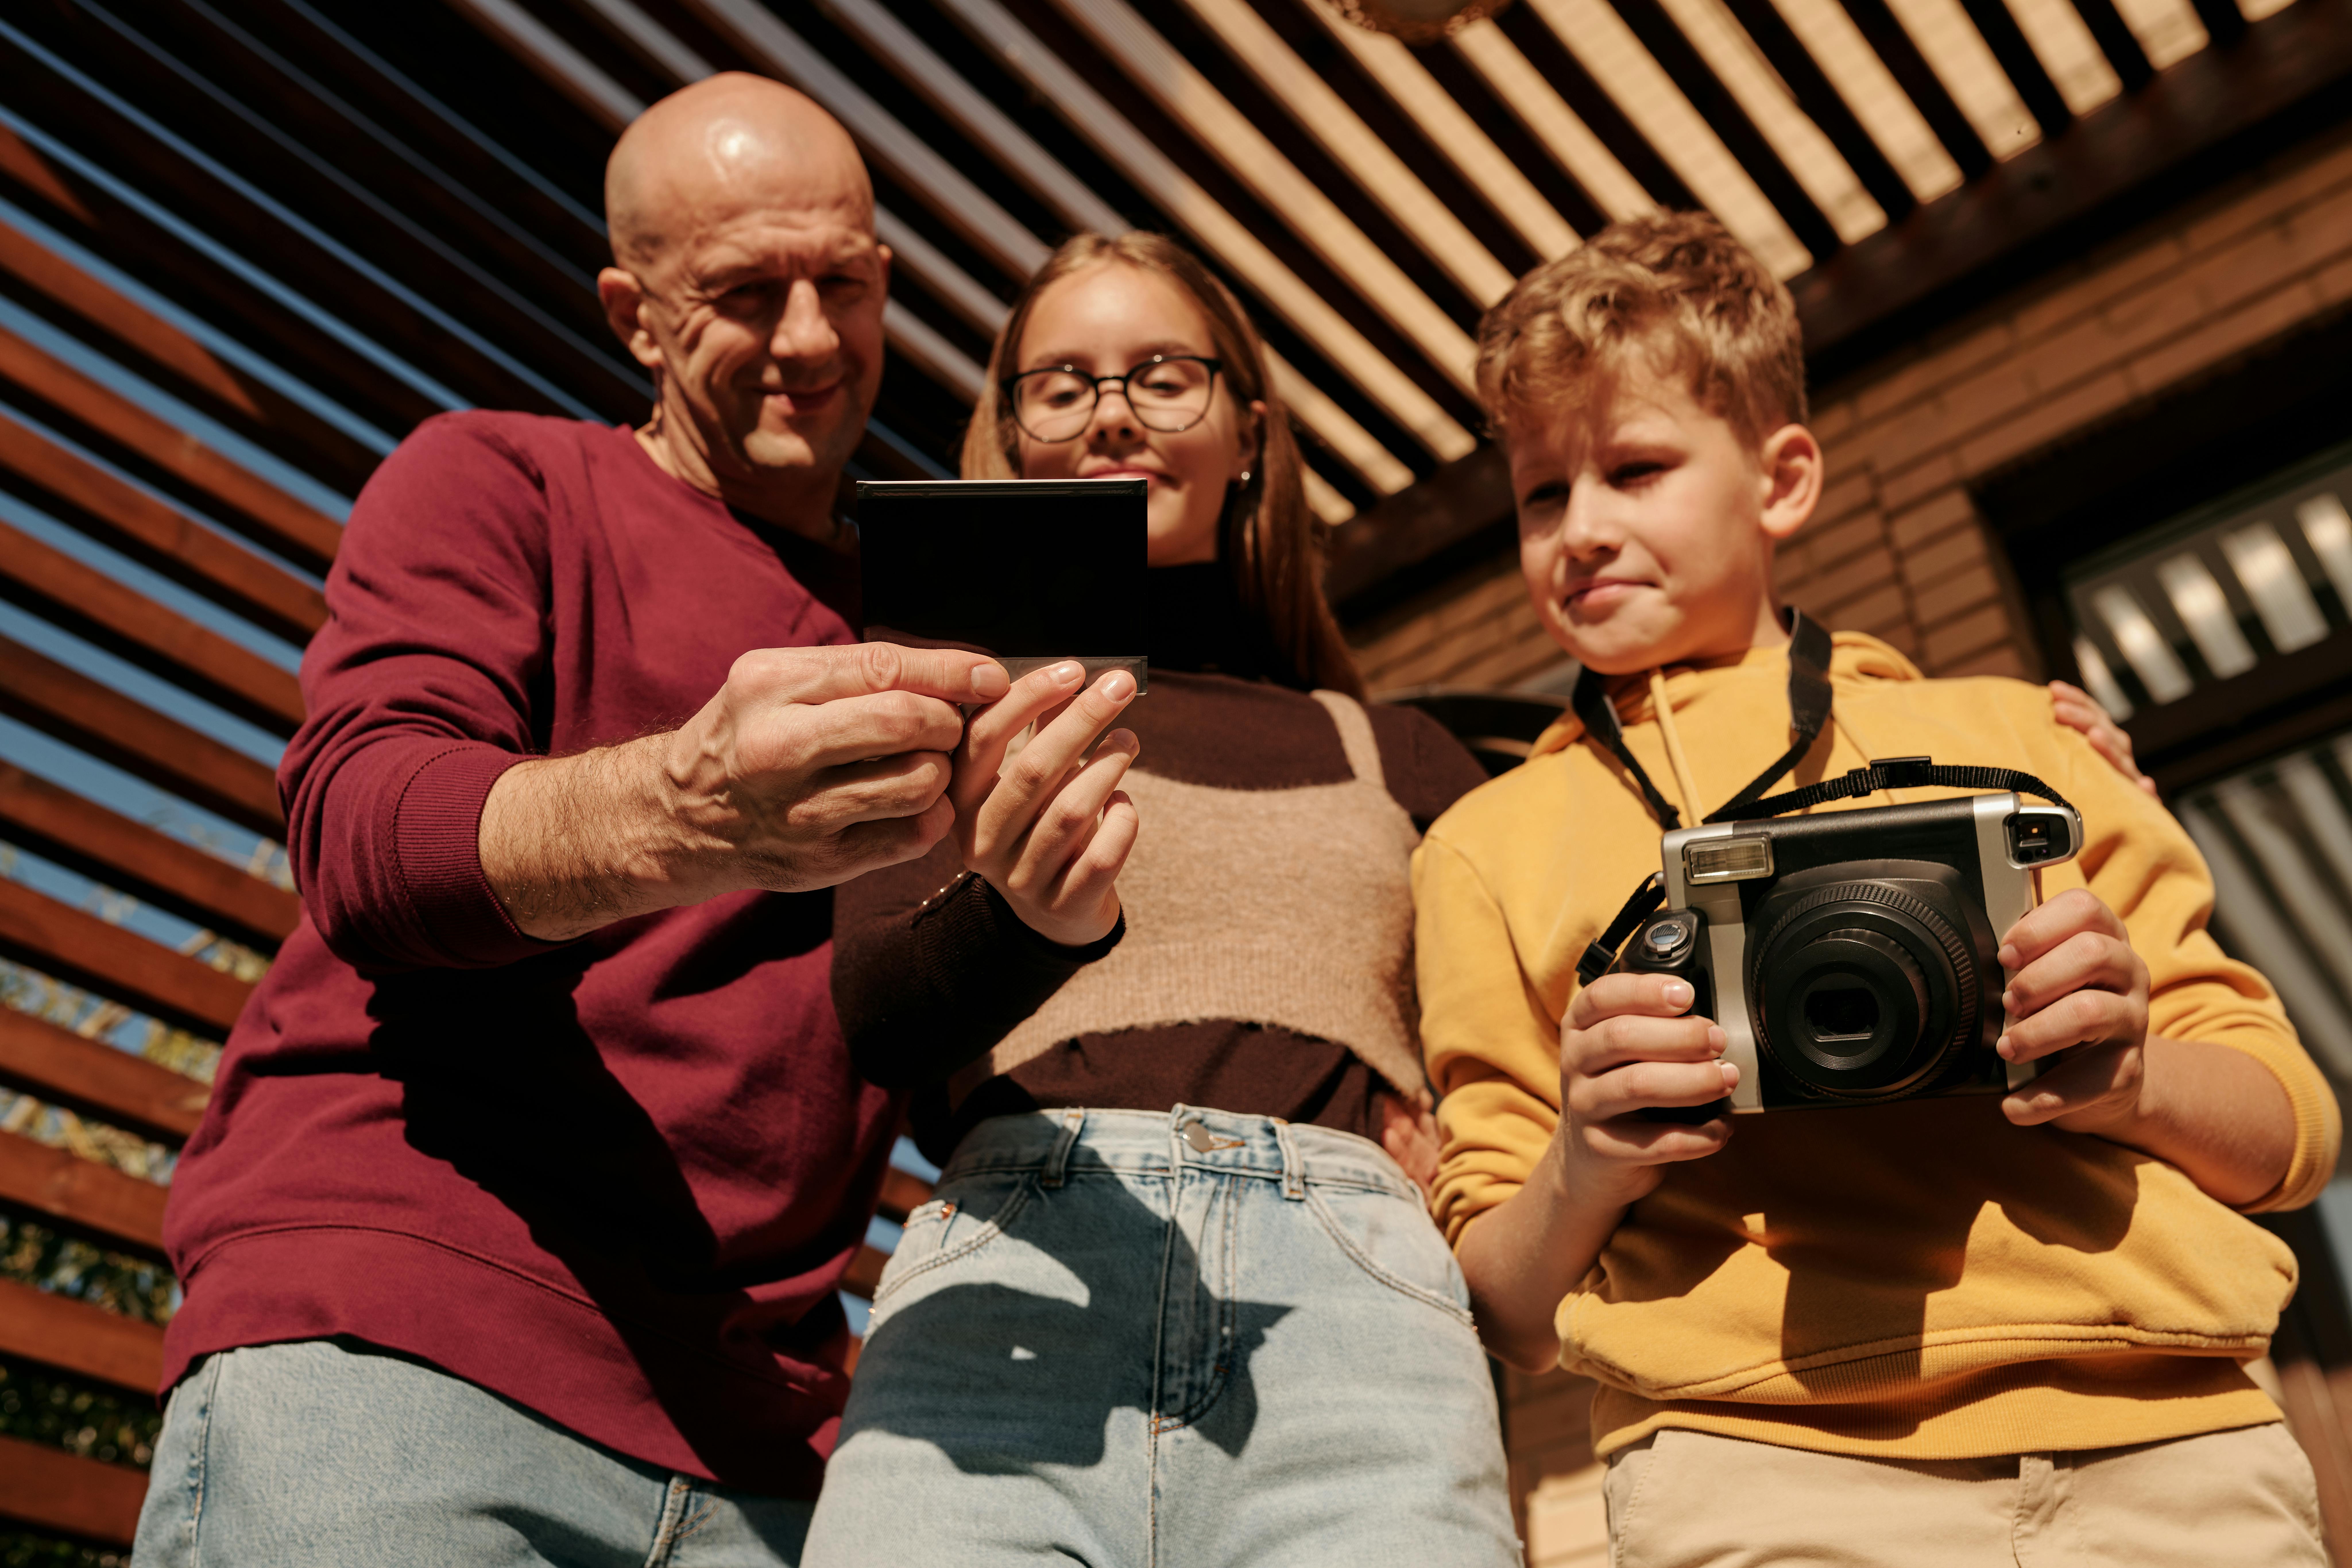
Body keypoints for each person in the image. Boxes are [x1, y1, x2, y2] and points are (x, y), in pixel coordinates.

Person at [130, 75, 1003, 1566]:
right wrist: (693, 809)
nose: (808, 339)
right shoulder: (500, 477)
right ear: (635, 313)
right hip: (404, 1343)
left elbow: (925, 1057)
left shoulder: (927, 623)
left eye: (844, 282)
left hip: (771, 1451)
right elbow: (364, 836)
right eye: (743, 290)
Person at [1414, 210, 2340, 1565]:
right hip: (1754, 1472)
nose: (1583, 530)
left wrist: (2130, 1076)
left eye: (1634, 466)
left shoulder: (2023, 742)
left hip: (2170, 1445)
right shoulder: (1483, 844)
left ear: (1780, 479)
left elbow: (2291, 1131)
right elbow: (1500, 1306)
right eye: (1542, 494)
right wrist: (1585, 1156)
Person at [802, 231, 1524, 1566]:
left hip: (1347, 1326)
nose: (1112, 414)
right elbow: (874, 1024)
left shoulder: (1399, 751)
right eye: (1061, 385)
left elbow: (1526, 1017)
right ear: (1011, 436)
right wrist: (1018, 919)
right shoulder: (945, 703)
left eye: (1159, 375)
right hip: (1006, 1295)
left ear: (1248, 432)